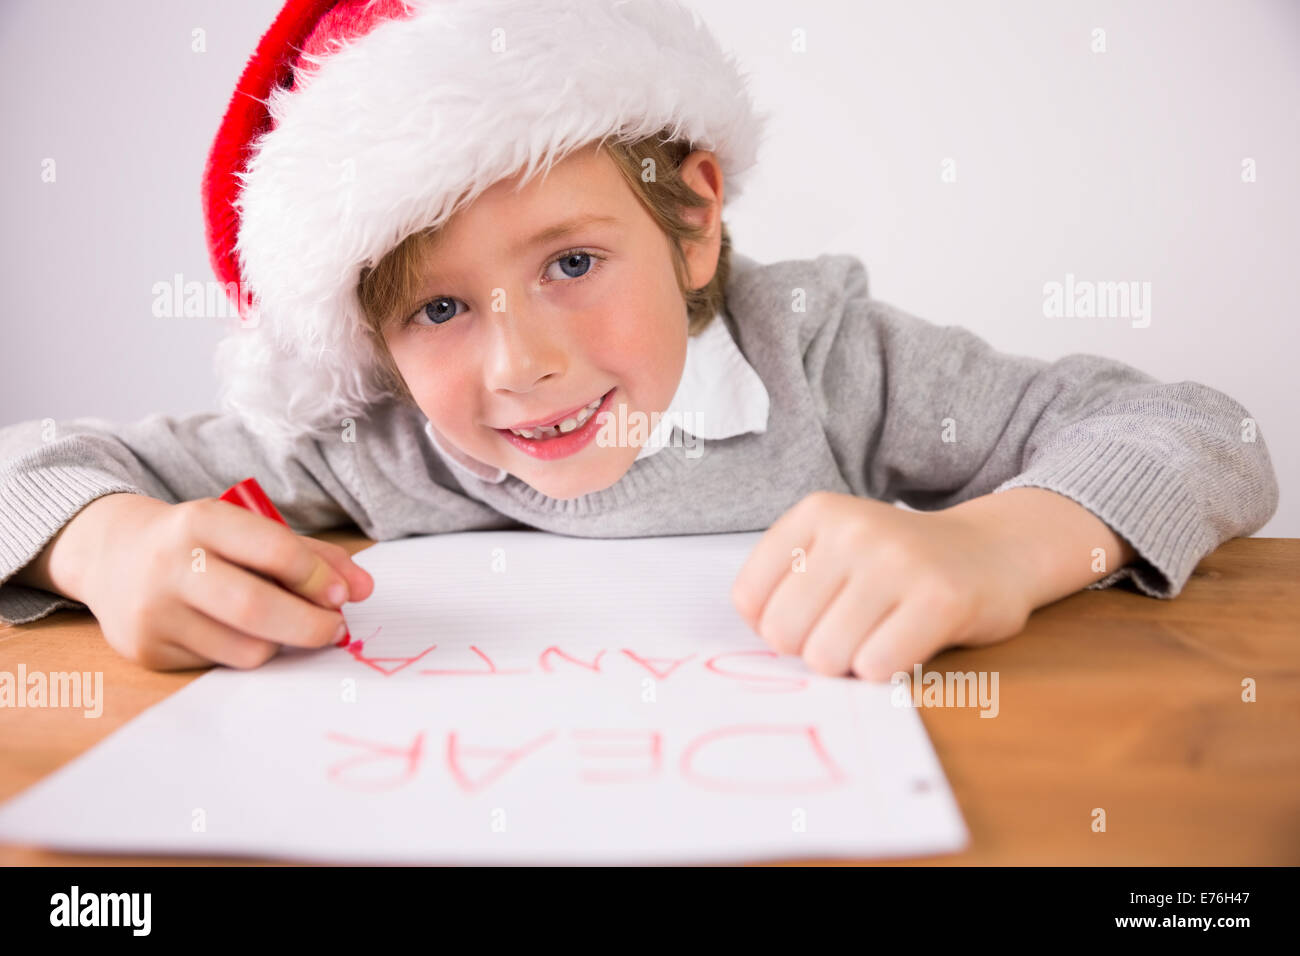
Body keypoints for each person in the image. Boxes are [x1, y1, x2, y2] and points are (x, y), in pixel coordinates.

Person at [0, 0, 1279, 679]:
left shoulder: (828, 360)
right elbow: (30, 464)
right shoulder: (364, 439)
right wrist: (108, 548)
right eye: (437, 309)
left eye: (570, 262)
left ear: (695, 219)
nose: (522, 364)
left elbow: (1206, 430)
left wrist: (1001, 542)